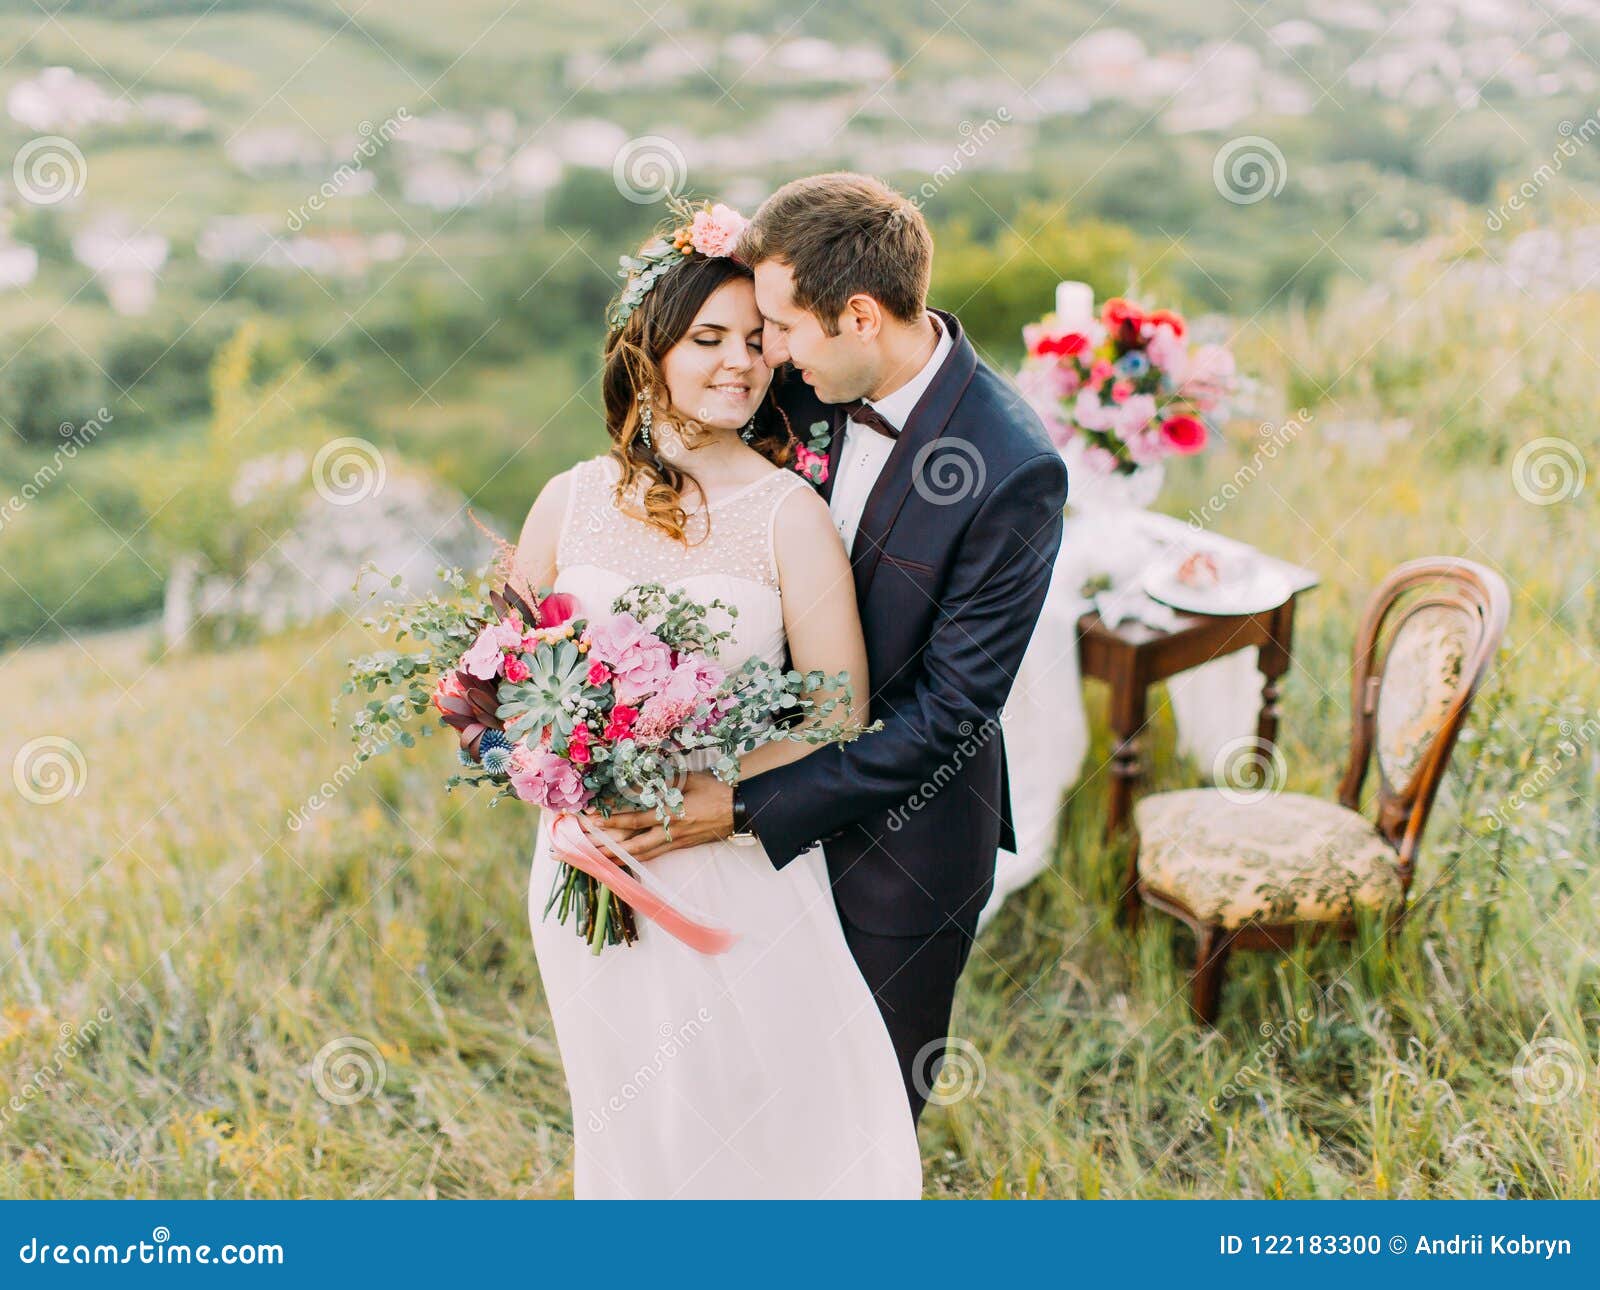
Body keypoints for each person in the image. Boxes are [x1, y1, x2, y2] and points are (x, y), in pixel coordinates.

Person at [600, 174, 1070, 1121]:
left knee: (864, 1118)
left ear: (859, 316)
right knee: (737, 1098)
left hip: (900, 846)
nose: (761, 354)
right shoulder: (802, 391)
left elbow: (947, 715)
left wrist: (739, 807)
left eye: (779, 327)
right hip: (726, 835)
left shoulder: (1014, 468)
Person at [512, 198, 920, 1199]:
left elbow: (835, 717)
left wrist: (698, 800)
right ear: (647, 348)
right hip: (591, 873)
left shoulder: (790, 517)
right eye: (707, 339)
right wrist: (567, 760)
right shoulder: (566, 501)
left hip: (734, 869)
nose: (740, 362)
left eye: (756, 341)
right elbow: (511, 677)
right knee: (634, 1130)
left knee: (765, 1123)